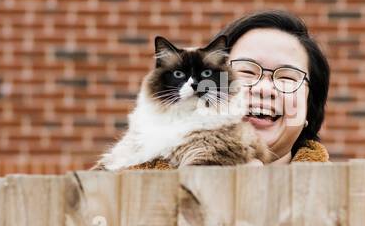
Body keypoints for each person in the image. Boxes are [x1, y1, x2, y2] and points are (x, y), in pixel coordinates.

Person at [123, 9, 330, 170]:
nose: (264, 89)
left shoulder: (348, 199)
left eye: (286, 77)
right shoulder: (124, 184)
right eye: (247, 72)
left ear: (310, 108)